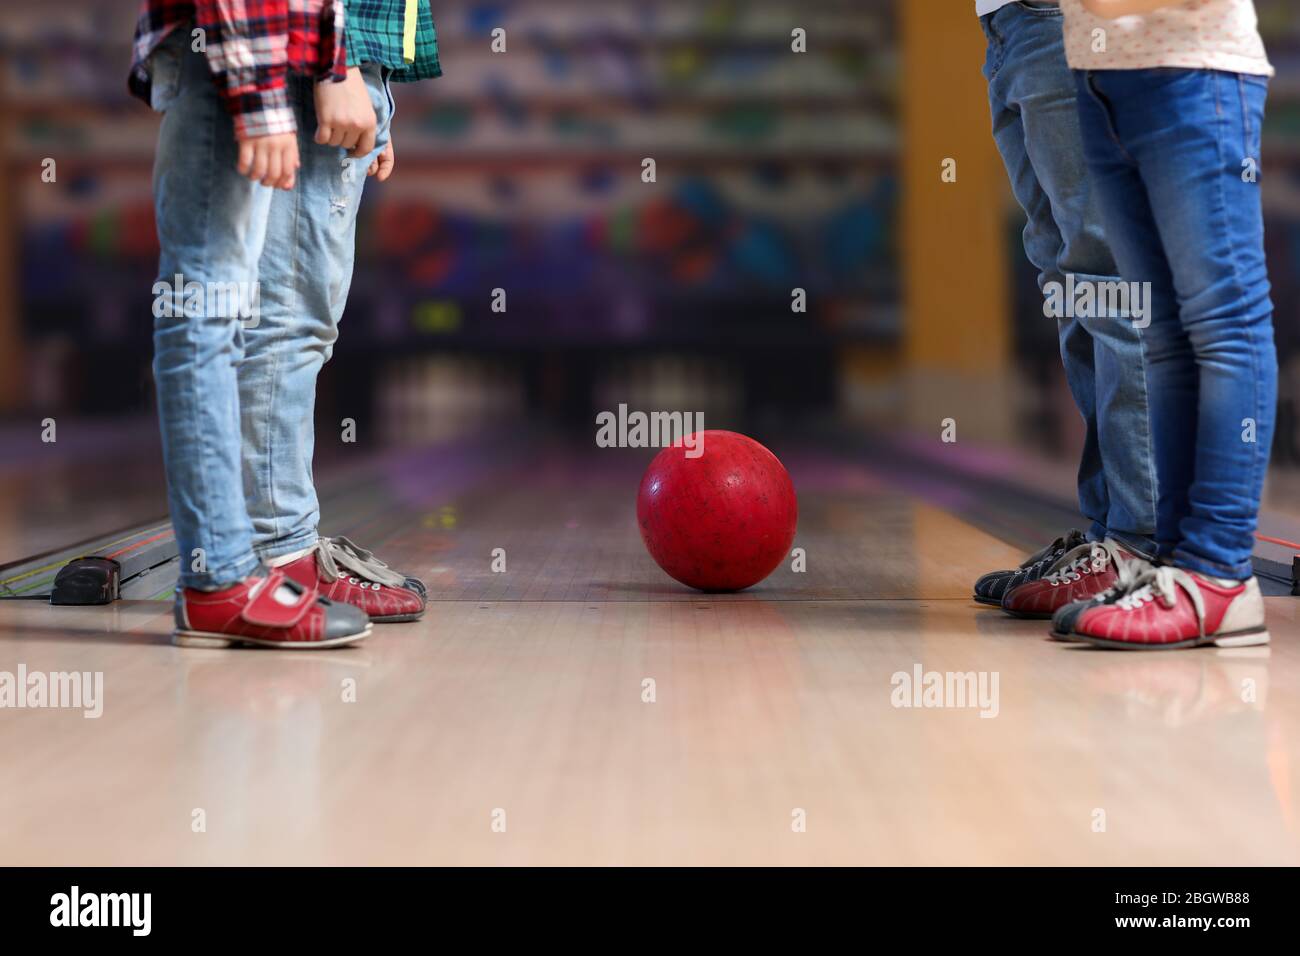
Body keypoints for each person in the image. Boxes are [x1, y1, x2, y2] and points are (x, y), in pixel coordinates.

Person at [129, 0, 441, 648]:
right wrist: (327, 70)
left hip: (314, 59)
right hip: (264, 51)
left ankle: (279, 555)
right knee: (209, 313)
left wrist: (371, 85)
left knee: (294, 325)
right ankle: (225, 575)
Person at [1052, 0, 1275, 648]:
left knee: (1224, 325)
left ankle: (1221, 573)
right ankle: (1174, 567)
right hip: (1100, 80)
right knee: (1165, 339)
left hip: (1194, 72)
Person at [972, 0, 1159, 620]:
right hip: (1011, 27)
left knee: (1107, 279)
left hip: (1061, 20)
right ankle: (1109, 533)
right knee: (1071, 282)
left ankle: (1142, 543)